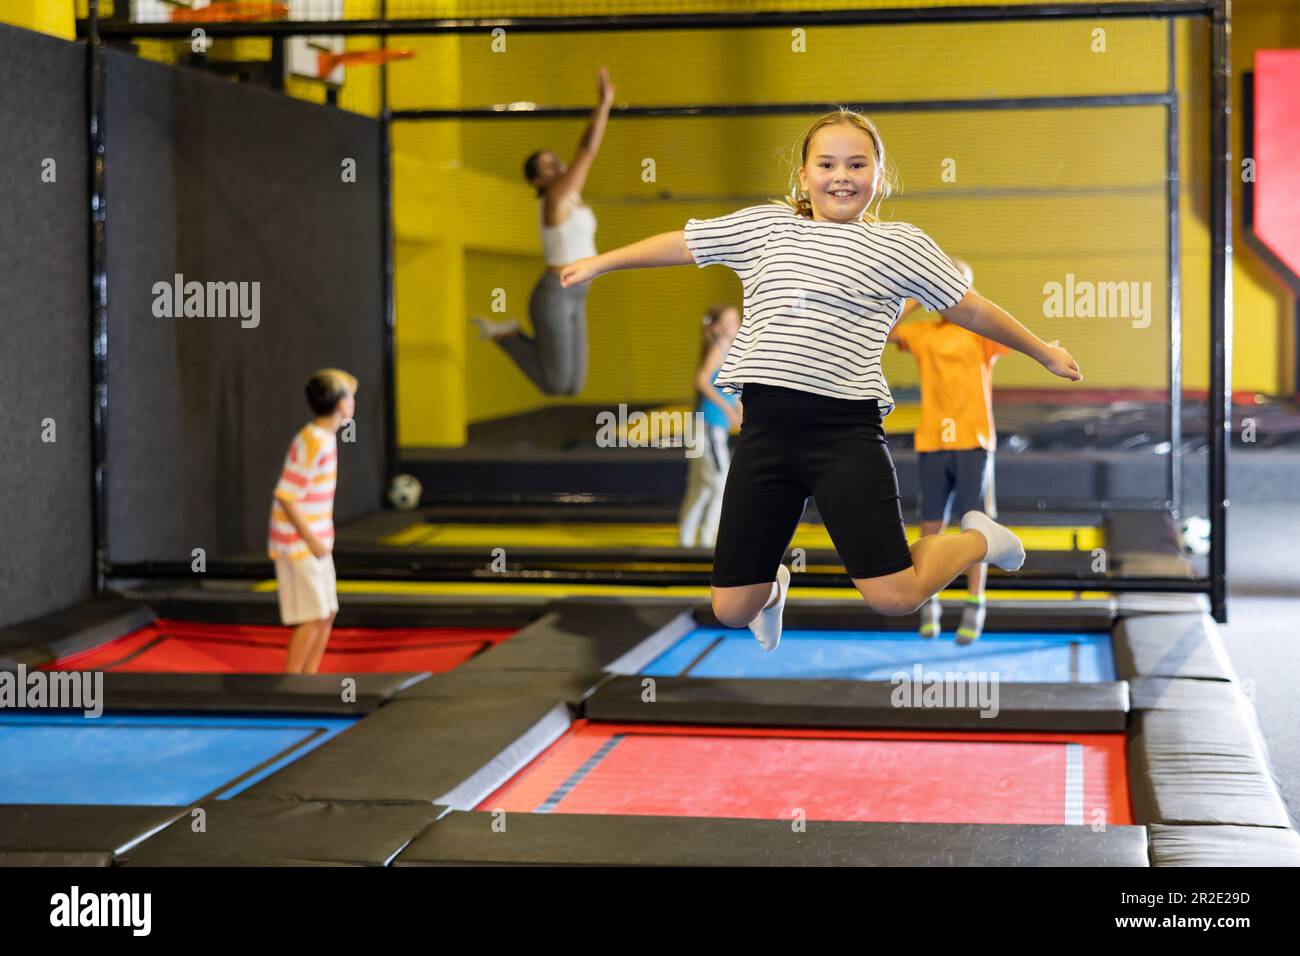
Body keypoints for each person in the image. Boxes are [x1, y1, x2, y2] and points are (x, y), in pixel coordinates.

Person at [560, 108, 1081, 652]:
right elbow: (684, 245)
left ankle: (978, 538)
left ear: (879, 175)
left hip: (844, 437)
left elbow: (971, 310)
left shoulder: (899, 246)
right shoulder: (765, 227)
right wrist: (601, 262)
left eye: (857, 164)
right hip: (765, 435)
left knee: (895, 595)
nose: (842, 176)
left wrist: (1041, 351)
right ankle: (770, 589)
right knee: (731, 607)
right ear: (803, 175)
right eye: (827, 163)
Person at [470, 67, 616, 397]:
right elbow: (587, 151)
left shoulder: (573, 199)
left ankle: (510, 335)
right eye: (547, 166)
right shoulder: (555, 200)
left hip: (579, 292)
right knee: (553, 384)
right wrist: (603, 105)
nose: (558, 165)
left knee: (572, 386)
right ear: (537, 181)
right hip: (555, 292)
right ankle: (506, 336)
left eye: (555, 160)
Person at [889, 259, 1009, 644]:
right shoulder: (924, 333)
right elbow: (885, 329)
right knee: (930, 525)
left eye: (958, 283)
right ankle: (930, 601)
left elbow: (1004, 329)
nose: (948, 289)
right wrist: (916, 295)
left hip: (973, 441)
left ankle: (975, 603)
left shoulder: (980, 335)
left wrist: (969, 296)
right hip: (933, 442)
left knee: (974, 525)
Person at [268, 368, 356, 674]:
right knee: (313, 615)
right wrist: (310, 538)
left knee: (327, 612)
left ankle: (310, 677)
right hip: (300, 543)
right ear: (343, 404)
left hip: (317, 539)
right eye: (350, 397)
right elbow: (286, 495)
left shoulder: (325, 437)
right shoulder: (313, 441)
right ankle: (294, 683)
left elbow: (350, 381)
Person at [679, 303, 743, 548]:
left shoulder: (728, 351)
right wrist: (727, 409)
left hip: (704, 427)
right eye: (730, 321)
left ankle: (685, 540)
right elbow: (702, 380)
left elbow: (730, 391)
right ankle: (707, 540)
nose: (735, 325)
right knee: (720, 485)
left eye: (736, 320)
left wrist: (736, 408)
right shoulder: (718, 348)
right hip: (706, 427)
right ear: (717, 328)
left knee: (701, 487)